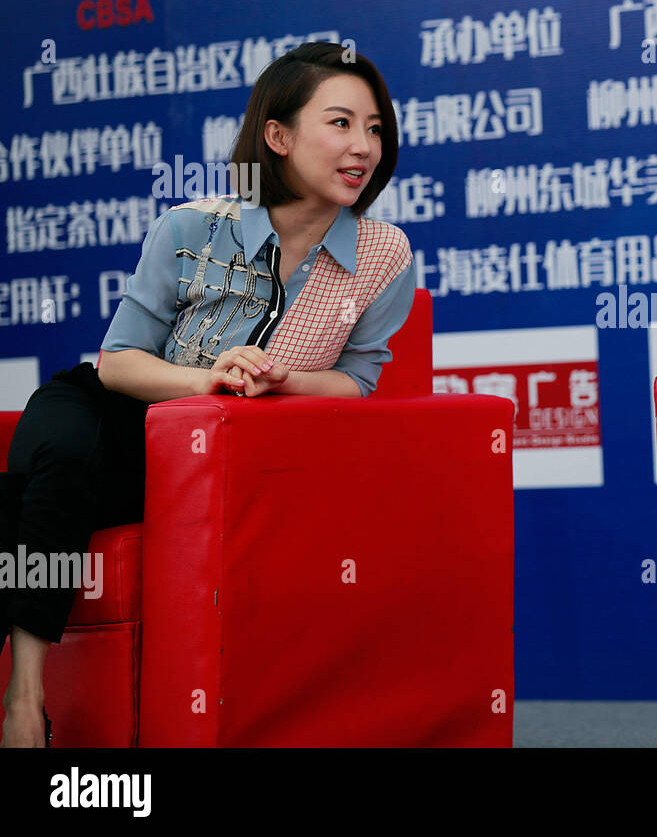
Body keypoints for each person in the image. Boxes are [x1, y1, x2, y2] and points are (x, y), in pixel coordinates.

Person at [0, 42, 417, 747]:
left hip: (200, 455)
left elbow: (357, 381)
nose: (363, 147)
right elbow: (117, 362)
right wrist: (209, 378)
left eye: (374, 128)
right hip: (115, 409)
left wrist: (283, 380)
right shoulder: (193, 224)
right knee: (67, 454)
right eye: (341, 123)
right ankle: (24, 700)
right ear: (278, 138)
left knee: (22, 502)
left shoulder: (383, 255)